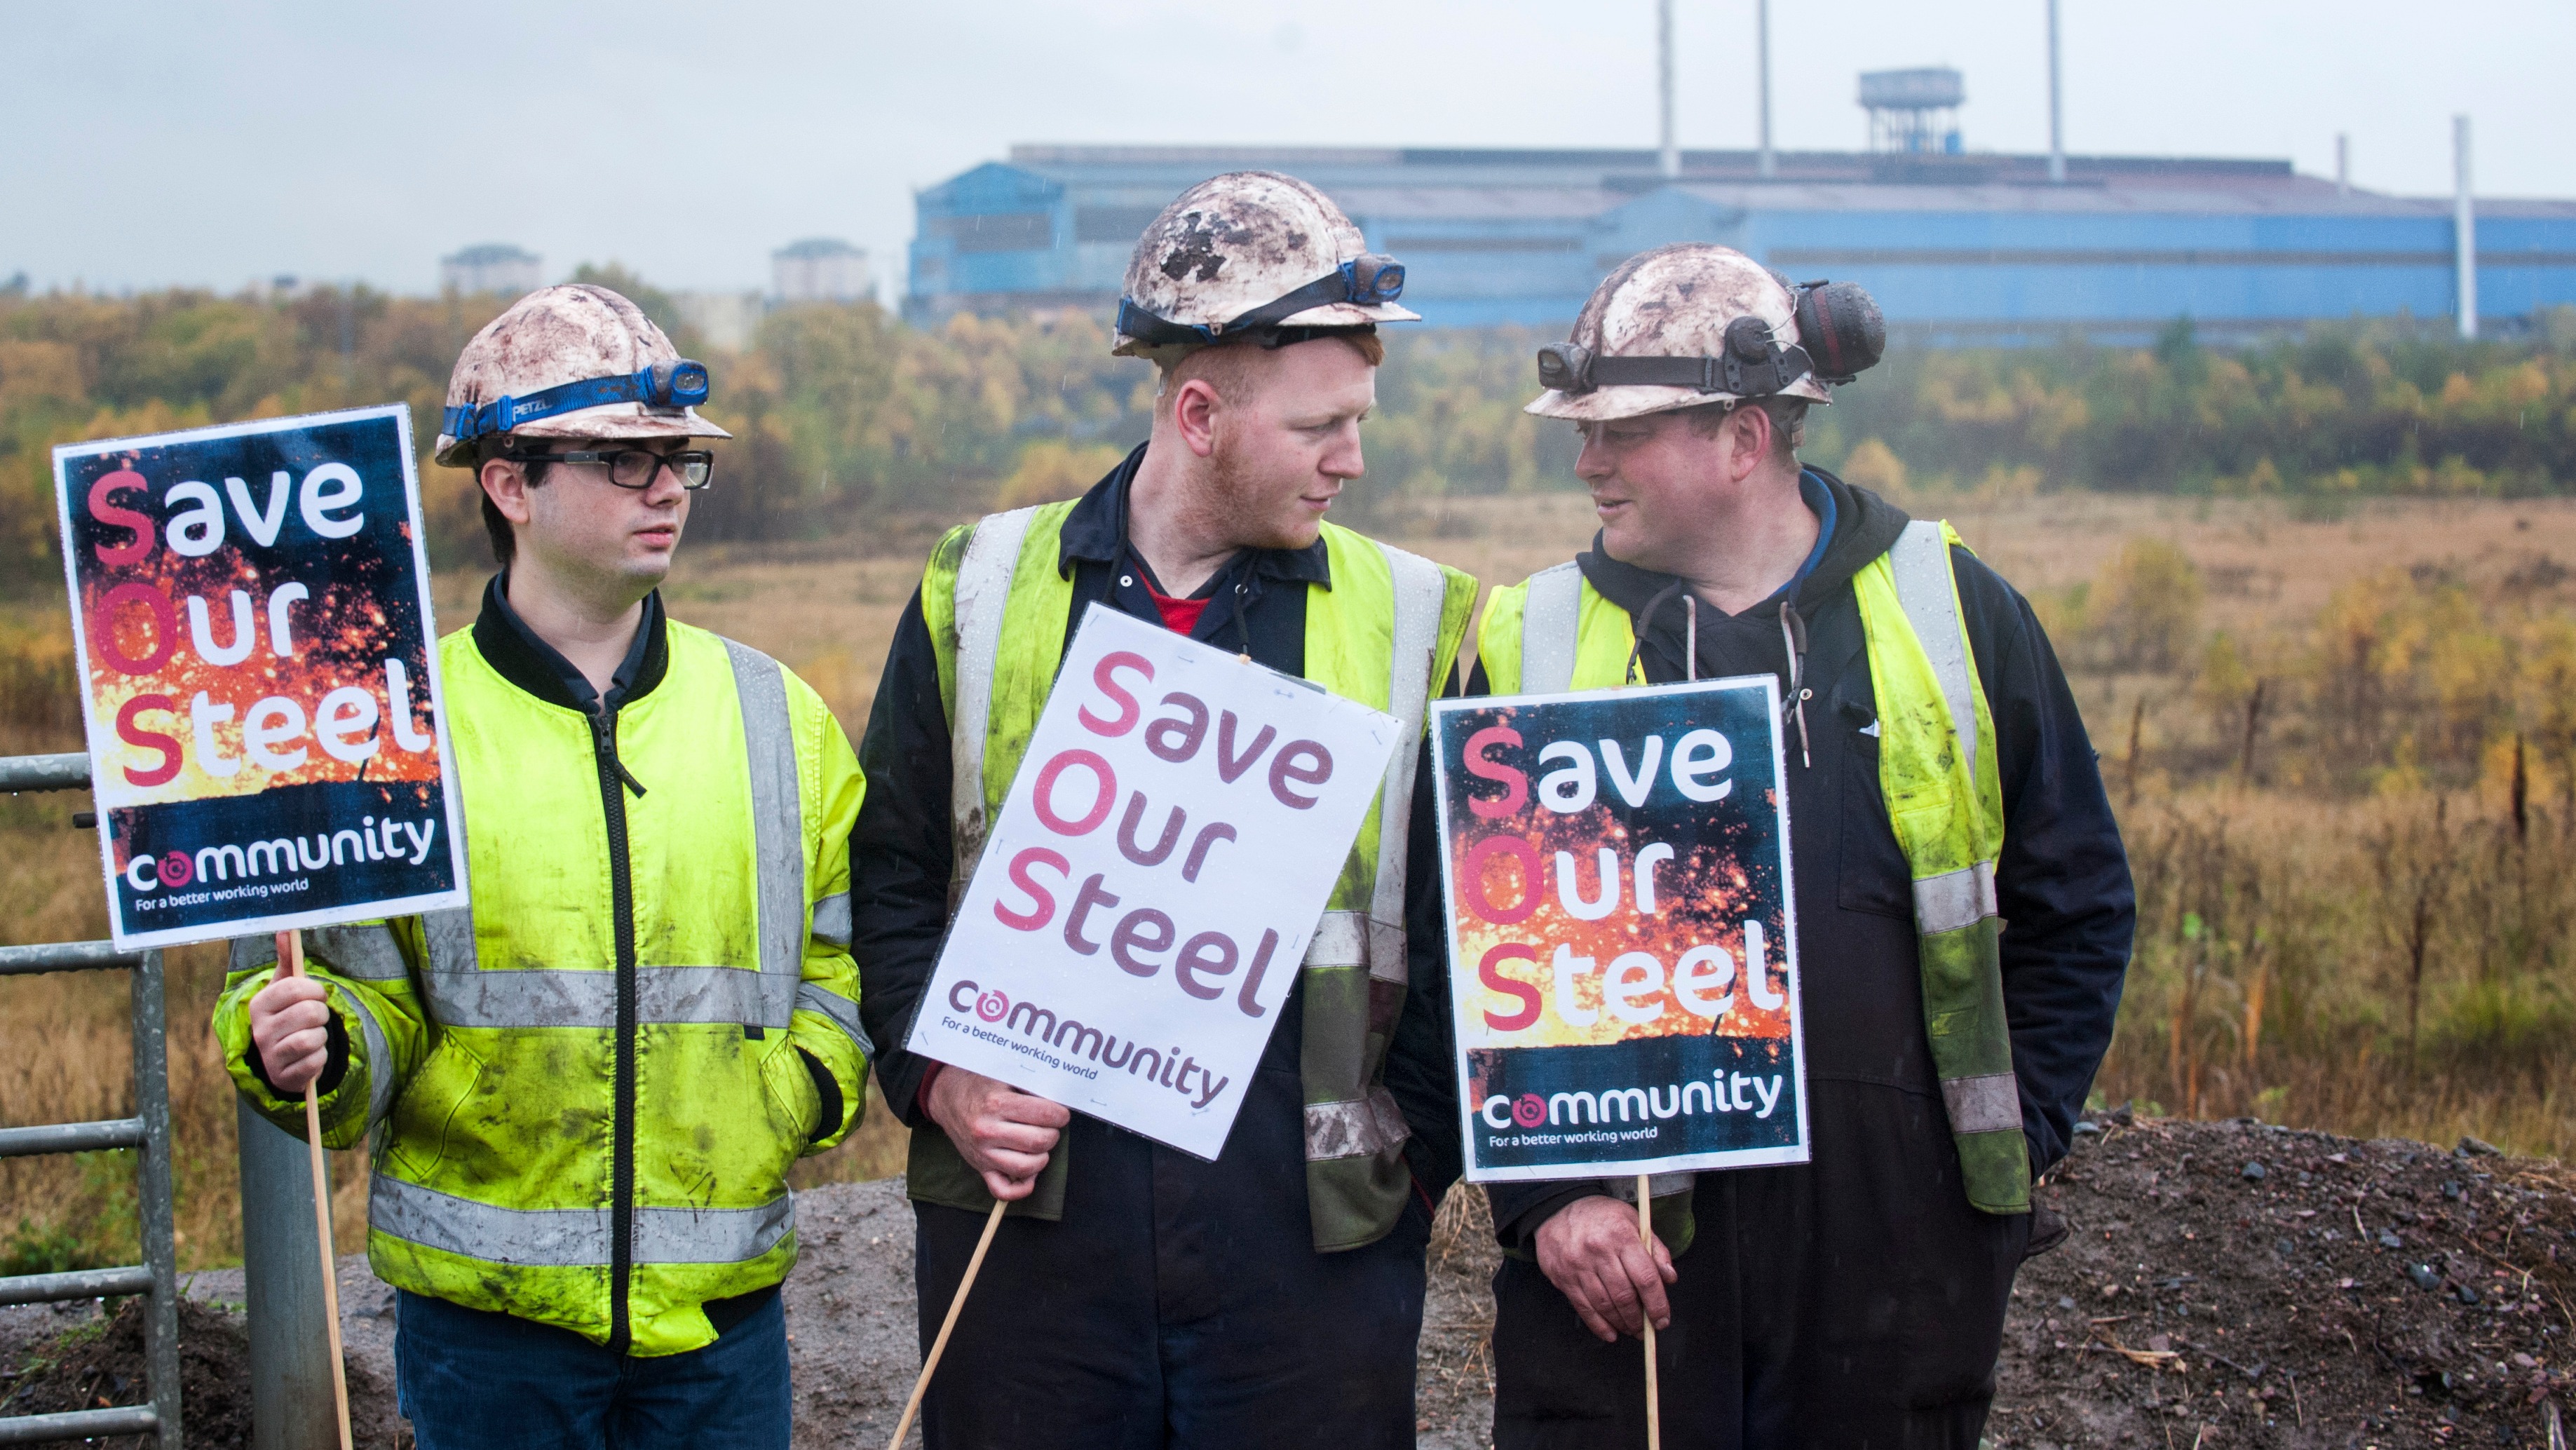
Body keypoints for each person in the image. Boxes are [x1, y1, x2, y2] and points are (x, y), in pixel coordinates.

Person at [1468, 245, 2134, 1448]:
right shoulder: (1528, 639)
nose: (1587, 463)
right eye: (1584, 432)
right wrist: (1545, 1202)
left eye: (1622, 431)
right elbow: (1471, 967)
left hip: (1892, 1269)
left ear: (1742, 439)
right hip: (1627, 1282)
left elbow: (2075, 899)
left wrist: (1996, 1158)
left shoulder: (1952, 610)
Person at [851, 172, 1477, 1449]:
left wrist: (1412, 1174)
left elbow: (1472, 932)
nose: (1352, 460)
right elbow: (893, 880)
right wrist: (935, 1074)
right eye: (1319, 428)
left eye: (1357, 420)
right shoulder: (979, 591)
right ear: (1198, 414)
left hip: (1308, 1255)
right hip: (1027, 1246)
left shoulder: (1413, 620)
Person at [213, 283, 869, 1450]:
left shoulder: (779, 716)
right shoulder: (383, 725)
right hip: (488, 1333)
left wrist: (798, 1092)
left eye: (677, 460)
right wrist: (312, 1044)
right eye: (624, 461)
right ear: (509, 485)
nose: (668, 486)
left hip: (722, 1325)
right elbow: (365, 993)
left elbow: (843, 957)